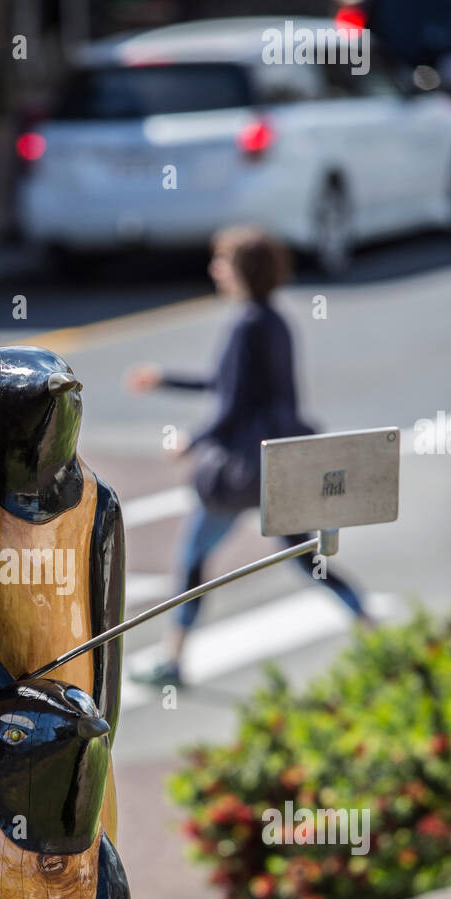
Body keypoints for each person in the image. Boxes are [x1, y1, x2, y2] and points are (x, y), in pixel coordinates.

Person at [126, 225, 370, 686]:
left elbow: (233, 404)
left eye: (222, 262)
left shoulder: (244, 324)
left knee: (193, 557)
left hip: (240, 472)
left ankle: (172, 658)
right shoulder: (275, 321)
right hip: (280, 463)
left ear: (243, 270)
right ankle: (370, 625)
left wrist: (191, 441)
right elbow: (234, 386)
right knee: (305, 555)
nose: (215, 270)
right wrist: (165, 379)